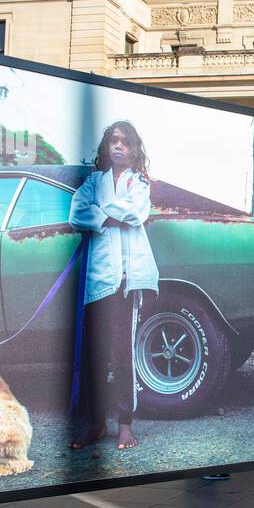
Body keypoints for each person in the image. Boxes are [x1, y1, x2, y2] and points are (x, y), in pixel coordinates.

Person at [69, 121, 160, 452]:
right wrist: (108, 217)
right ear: (106, 147)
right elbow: (77, 213)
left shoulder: (139, 183)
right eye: (113, 141)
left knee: (122, 354)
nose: (119, 146)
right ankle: (96, 424)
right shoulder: (94, 182)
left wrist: (100, 213)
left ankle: (124, 426)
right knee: (93, 355)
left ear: (134, 150)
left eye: (125, 142)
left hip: (125, 282)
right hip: (98, 282)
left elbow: (135, 213)